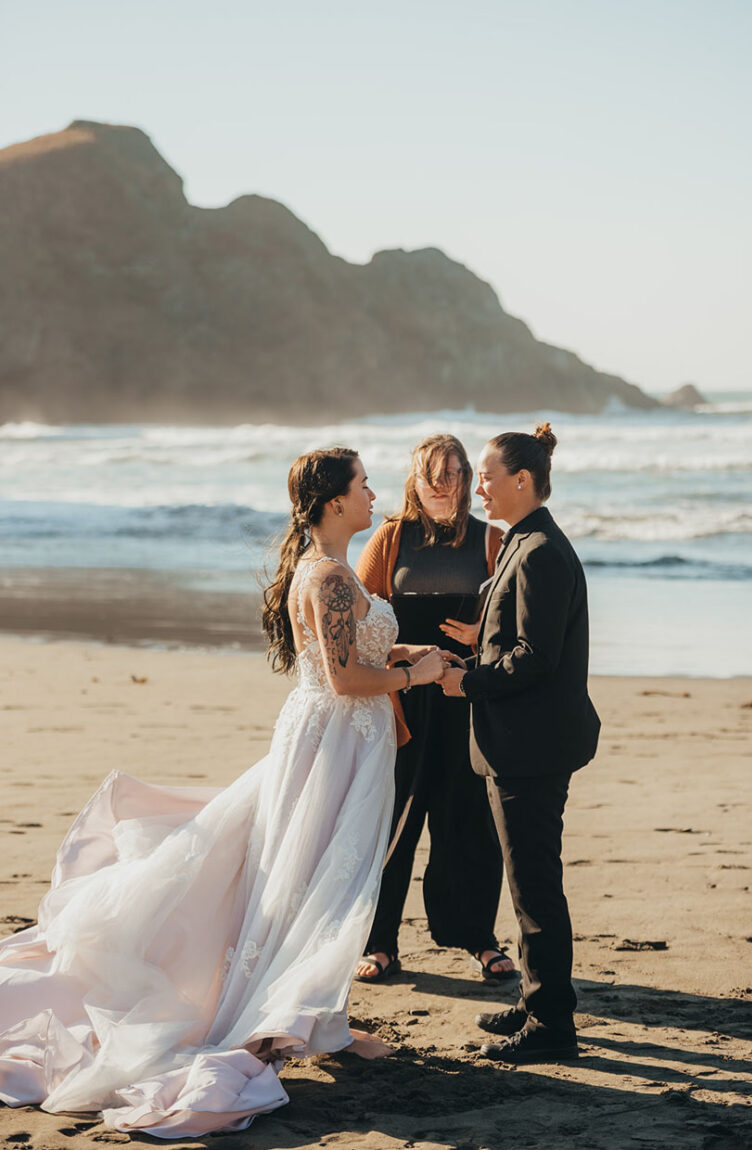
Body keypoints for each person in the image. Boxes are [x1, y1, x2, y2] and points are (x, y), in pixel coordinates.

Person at [0, 448, 445, 1137]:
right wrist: (414, 679)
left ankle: (321, 1019)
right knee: (324, 878)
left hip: (346, 740)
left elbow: (351, 659)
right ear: (334, 504)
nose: (374, 495)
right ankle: (292, 1018)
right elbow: (339, 681)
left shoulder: (329, 572)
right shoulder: (327, 576)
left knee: (329, 877)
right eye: (363, 486)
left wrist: (397, 656)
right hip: (334, 743)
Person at [440, 424, 601, 1063]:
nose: (476, 485)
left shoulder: (540, 551)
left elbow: (536, 658)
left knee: (535, 886)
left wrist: (467, 681)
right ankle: (536, 1002)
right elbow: (522, 633)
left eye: (485, 475)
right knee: (526, 880)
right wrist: (484, 634)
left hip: (531, 748)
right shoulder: (522, 541)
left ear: (522, 480)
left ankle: (553, 1027)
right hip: (520, 742)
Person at [355, 434, 516, 984]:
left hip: (466, 702)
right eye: (433, 475)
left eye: (454, 474)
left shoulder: (493, 541)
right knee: (392, 823)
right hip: (399, 705)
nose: (443, 486)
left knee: (469, 825)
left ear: (468, 480)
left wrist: (479, 642)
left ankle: (479, 938)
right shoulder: (390, 539)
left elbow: (512, 630)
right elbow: (358, 622)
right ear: (415, 481)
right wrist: (401, 665)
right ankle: (379, 943)